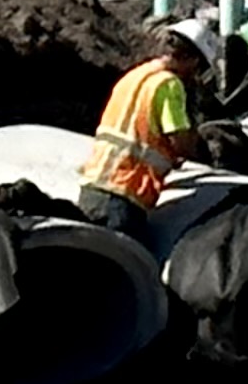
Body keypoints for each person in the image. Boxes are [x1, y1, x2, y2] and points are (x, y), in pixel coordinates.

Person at [80, 18, 230, 236]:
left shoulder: (136, 75)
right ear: (194, 61)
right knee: (134, 266)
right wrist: (207, 154)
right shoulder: (169, 85)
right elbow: (181, 142)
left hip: (93, 189)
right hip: (123, 197)